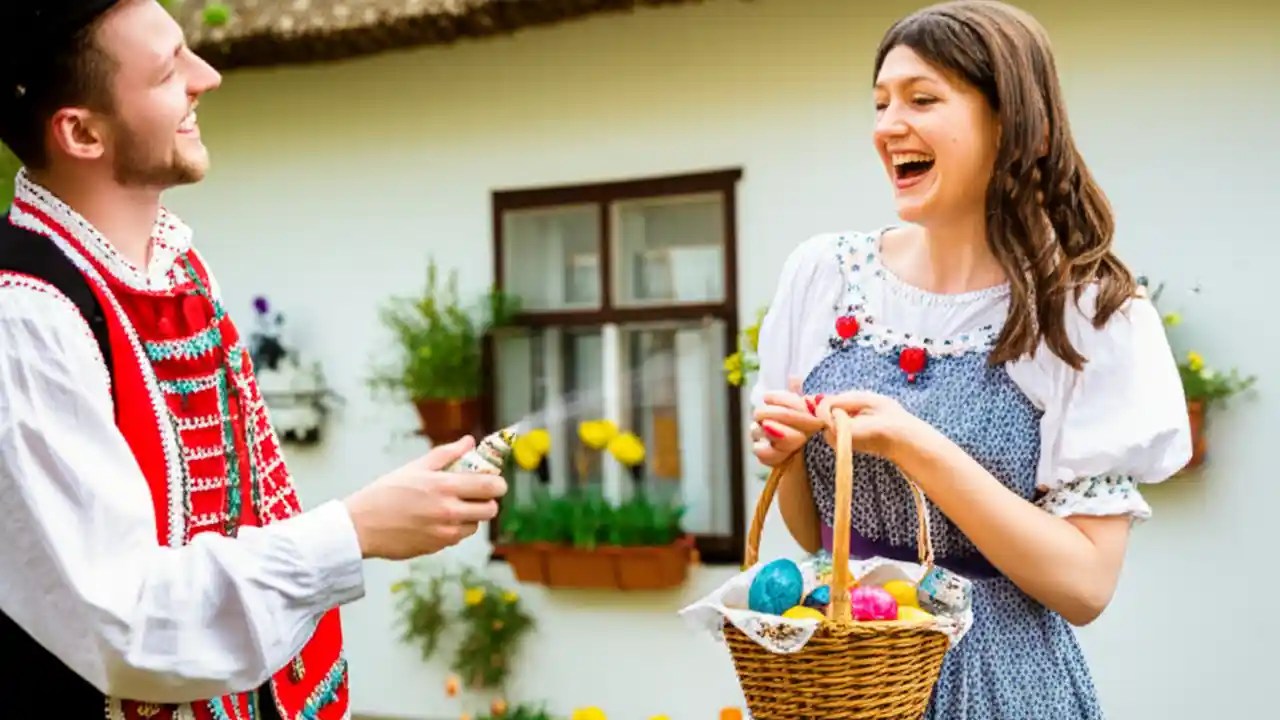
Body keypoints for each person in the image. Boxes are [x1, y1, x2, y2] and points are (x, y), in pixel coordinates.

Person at [0, 2, 508, 719]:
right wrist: (354, 530)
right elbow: (122, 623)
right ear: (81, 131)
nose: (207, 78)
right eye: (169, 69)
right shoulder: (27, 318)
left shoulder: (173, 271)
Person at [749, 1, 1190, 717]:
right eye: (881, 102)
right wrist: (793, 453)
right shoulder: (820, 275)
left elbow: (1085, 588)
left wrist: (918, 447)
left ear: (1016, 125)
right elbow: (816, 533)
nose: (889, 125)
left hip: (998, 688)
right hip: (847, 684)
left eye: (923, 99)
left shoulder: (1087, 313)